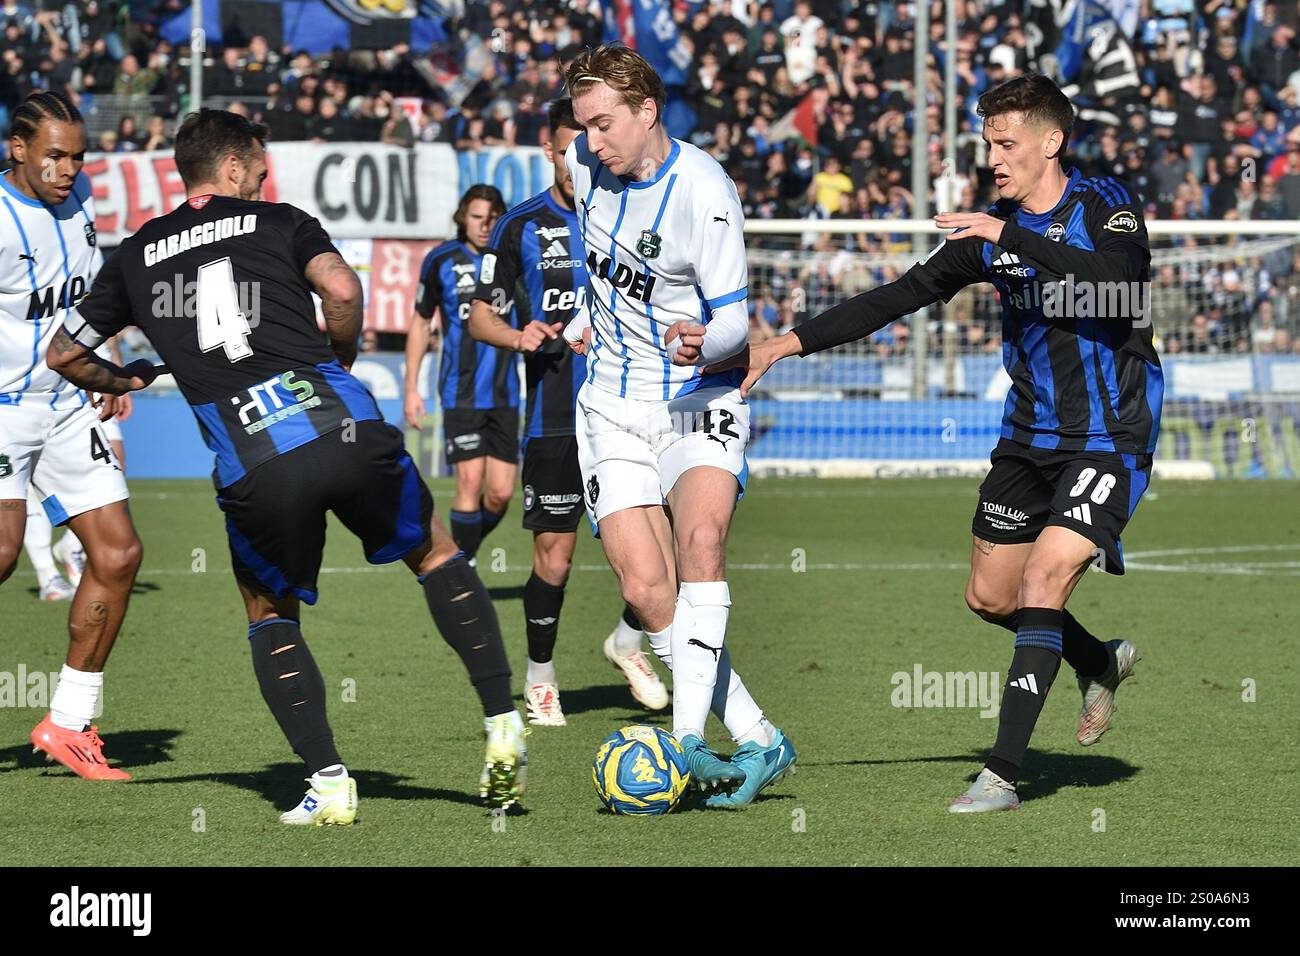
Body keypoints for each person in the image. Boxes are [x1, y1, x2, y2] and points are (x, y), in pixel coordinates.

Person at [48, 109, 529, 821]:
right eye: (261, 168)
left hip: (254, 460)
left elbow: (63, 354)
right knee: (434, 553)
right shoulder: (278, 221)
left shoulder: (138, 253)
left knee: (268, 611)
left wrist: (128, 382)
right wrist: (339, 356)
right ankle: (500, 721)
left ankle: (330, 783)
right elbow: (340, 289)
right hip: (342, 424)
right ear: (235, 168)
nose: (266, 179)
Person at [741, 74, 1160, 812]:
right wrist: (785, 343)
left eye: (1006, 142)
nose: (994, 157)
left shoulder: (1104, 205)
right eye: (988, 143)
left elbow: (1121, 281)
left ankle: (1001, 774)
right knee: (990, 597)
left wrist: (1011, 234)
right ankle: (1098, 660)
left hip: (1108, 436)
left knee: (1043, 582)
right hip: (1027, 439)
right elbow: (896, 297)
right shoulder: (988, 235)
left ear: (1051, 141)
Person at [562, 44, 795, 807]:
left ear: (647, 111)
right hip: (608, 408)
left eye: (603, 126)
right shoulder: (581, 160)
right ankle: (760, 737)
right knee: (648, 591)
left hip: (698, 396)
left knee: (702, 542)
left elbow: (735, 323)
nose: (591, 143)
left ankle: (688, 740)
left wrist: (706, 340)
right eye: (583, 128)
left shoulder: (706, 192)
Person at [467, 97, 668, 726]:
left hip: (633, 407)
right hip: (556, 413)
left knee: (667, 550)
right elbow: (480, 315)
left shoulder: (631, 207)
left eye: (586, 142)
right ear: (549, 150)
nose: (575, 156)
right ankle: (542, 678)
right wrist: (516, 335)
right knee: (554, 557)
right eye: (564, 147)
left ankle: (628, 642)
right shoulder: (519, 225)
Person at [0, 91, 142, 780]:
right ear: (17, 147)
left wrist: (100, 374)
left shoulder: (80, 204)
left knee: (118, 554)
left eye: (78, 156)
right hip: (0, 408)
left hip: (62, 403)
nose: (67, 168)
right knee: (2, 553)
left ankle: (68, 722)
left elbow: (86, 302)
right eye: (54, 154)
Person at [403, 186, 517, 568]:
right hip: (460, 392)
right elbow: (421, 323)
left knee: (500, 493)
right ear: (461, 218)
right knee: (469, 482)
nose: (485, 226)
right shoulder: (441, 260)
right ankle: (462, 571)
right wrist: (411, 389)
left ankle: (457, 553)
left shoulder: (512, 258)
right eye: (476, 217)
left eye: (492, 217)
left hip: (506, 394)